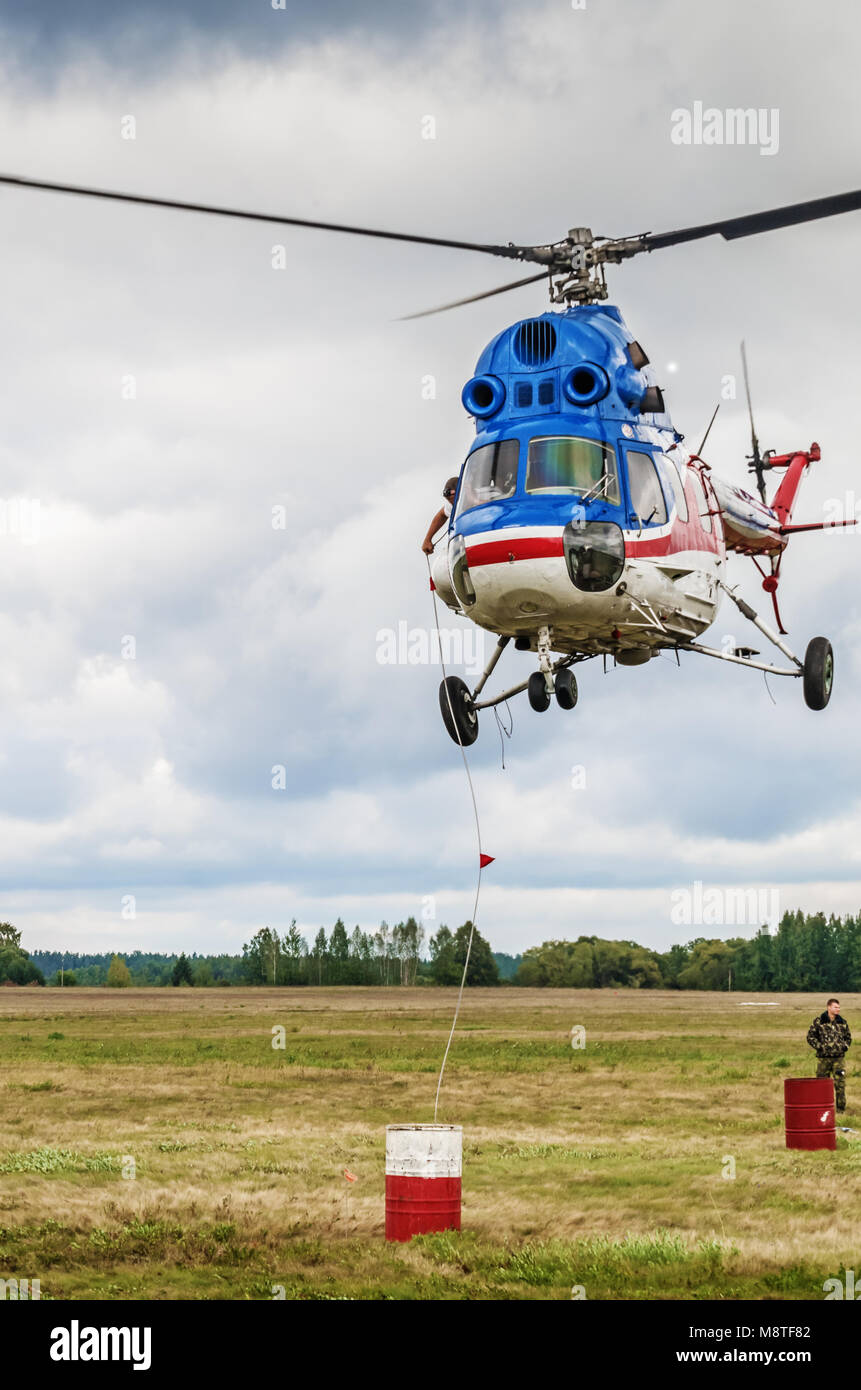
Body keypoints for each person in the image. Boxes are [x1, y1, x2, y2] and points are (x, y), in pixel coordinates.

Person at [806, 998, 852, 1113]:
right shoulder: (819, 1021)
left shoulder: (842, 1022)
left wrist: (844, 1047)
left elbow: (848, 1037)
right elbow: (810, 1037)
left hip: (838, 1059)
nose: (838, 1009)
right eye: (836, 1007)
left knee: (840, 1085)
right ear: (829, 1007)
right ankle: (822, 1109)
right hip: (824, 1059)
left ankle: (841, 1110)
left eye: (839, 1007)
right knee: (821, 1085)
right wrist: (820, 1047)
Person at [421, 478, 458, 555]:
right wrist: (428, 539)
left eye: (453, 500)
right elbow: (441, 515)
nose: (452, 504)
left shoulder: (478, 495)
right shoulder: (452, 504)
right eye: (449, 502)